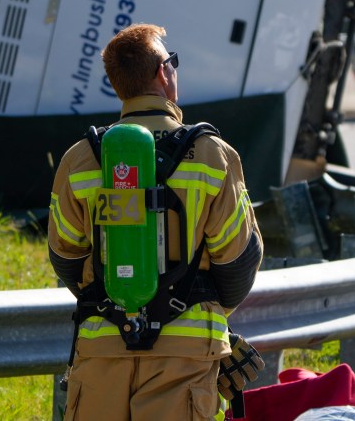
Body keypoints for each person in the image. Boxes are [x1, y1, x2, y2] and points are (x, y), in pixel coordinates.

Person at [48, 23, 264, 420]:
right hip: (185, 356)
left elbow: (64, 257)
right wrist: (203, 309)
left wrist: (116, 301)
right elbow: (238, 260)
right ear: (163, 73)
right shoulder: (212, 156)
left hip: (101, 351)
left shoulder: (79, 159)